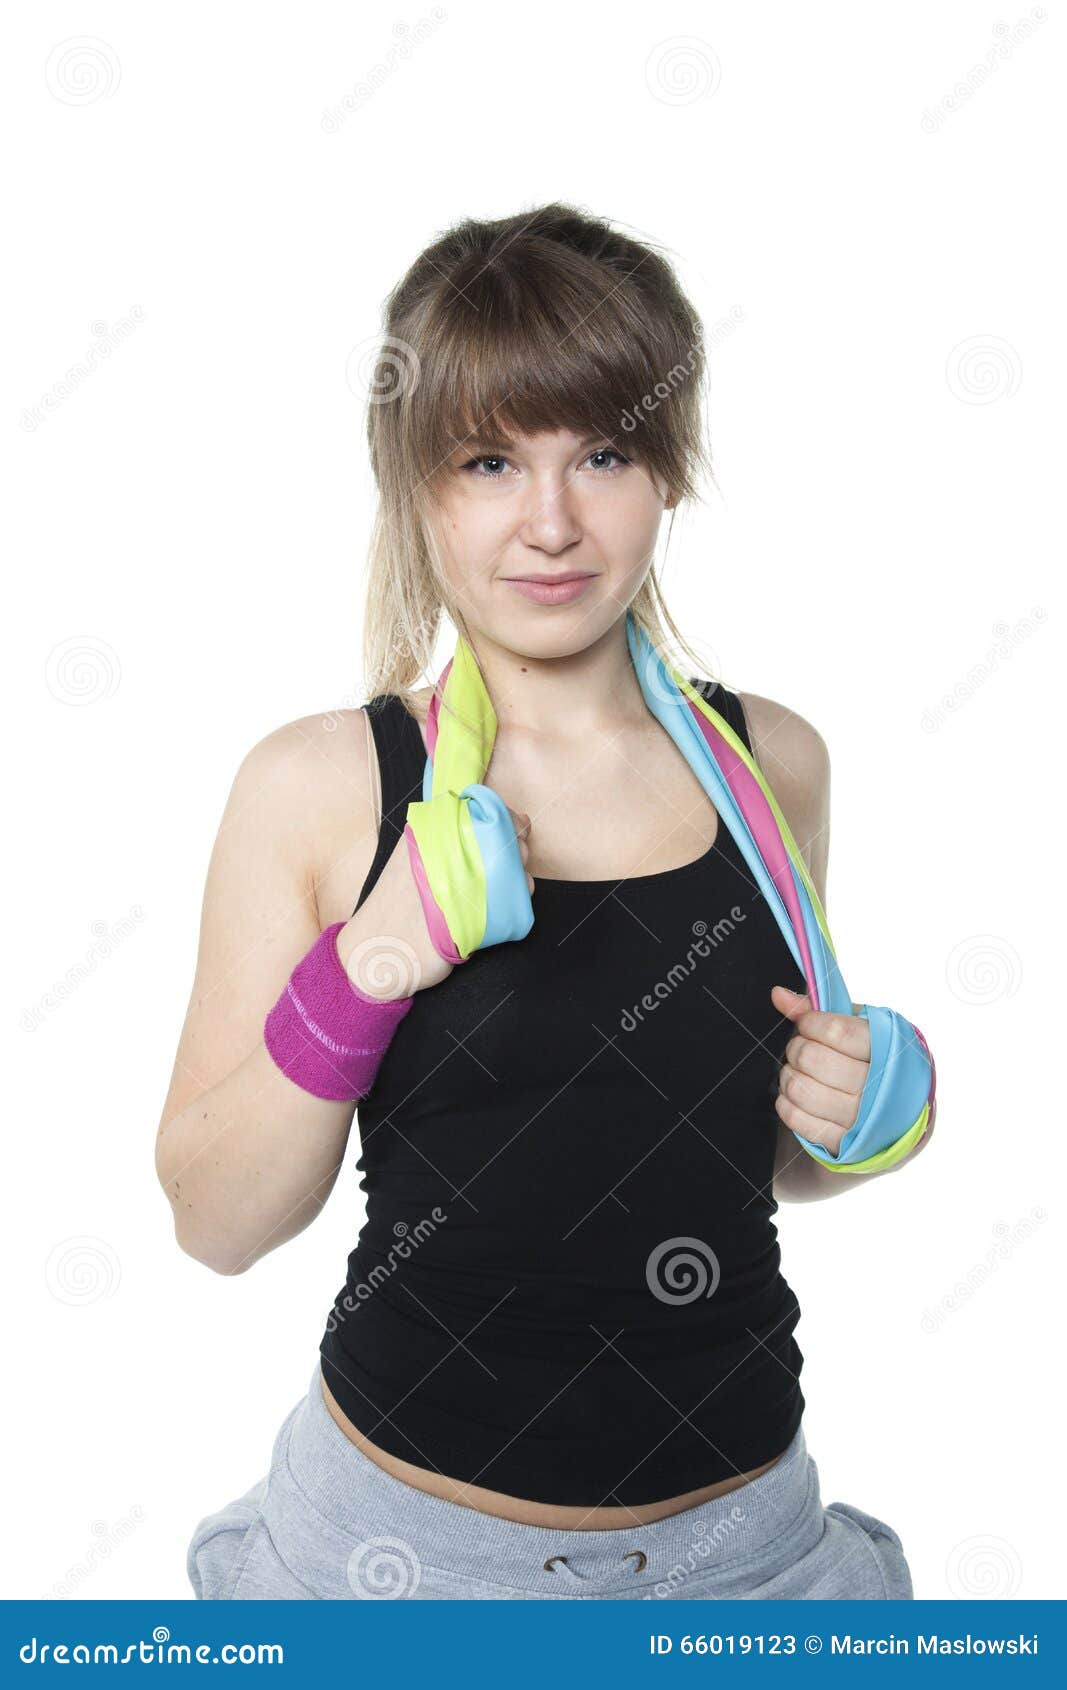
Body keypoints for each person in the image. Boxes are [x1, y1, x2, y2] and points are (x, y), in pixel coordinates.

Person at [159, 202, 930, 1601]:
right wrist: (373, 959)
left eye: (606, 452)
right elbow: (214, 1221)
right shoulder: (323, 785)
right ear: (416, 484)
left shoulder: (777, 766)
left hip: (749, 1556)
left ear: (668, 470)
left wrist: (866, 1114)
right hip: (407, 1564)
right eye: (491, 459)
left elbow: (742, 1153)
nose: (554, 520)